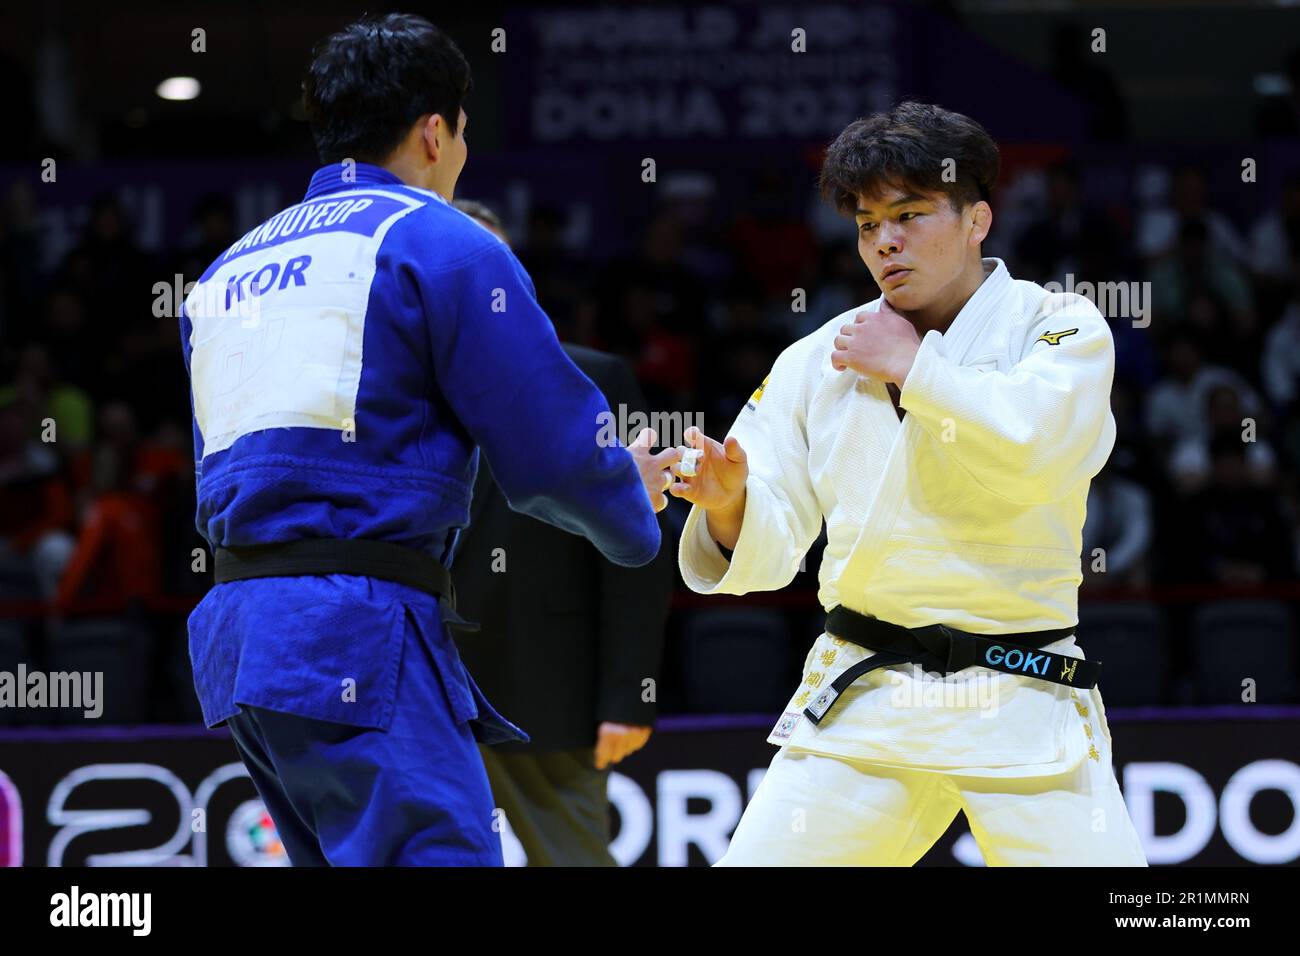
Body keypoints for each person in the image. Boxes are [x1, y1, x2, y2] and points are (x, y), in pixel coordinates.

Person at [178, 14, 677, 866]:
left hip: (239, 640)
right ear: (436, 130)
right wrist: (629, 494)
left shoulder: (227, 271)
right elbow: (551, 458)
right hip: (358, 627)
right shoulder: (439, 241)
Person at [670, 102, 1147, 866]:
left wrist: (911, 366)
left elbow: (1038, 449)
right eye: (866, 224)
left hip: (1023, 698)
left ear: (977, 219)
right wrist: (728, 505)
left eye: (911, 214)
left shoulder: (1060, 328)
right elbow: (775, 529)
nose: (885, 240)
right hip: (867, 703)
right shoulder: (819, 357)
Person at [450, 199, 673, 866]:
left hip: (547, 686)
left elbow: (639, 549)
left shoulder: (595, 378)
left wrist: (629, 692)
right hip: (421, 684)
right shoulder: (392, 389)